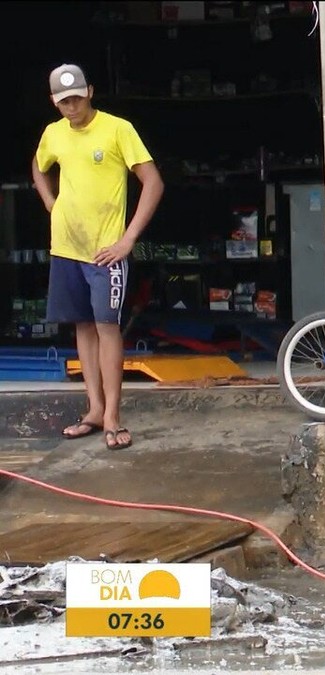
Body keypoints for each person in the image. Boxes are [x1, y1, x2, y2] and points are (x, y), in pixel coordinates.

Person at [31, 64, 163, 450]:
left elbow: (153, 181)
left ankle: (112, 416)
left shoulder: (117, 128)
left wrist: (128, 240)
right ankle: (93, 409)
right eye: (63, 101)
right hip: (66, 247)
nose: (71, 107)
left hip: (106, 251)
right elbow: (38, 168)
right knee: (83, 327)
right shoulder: (53, 133)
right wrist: (50, 202)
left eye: (76, 97)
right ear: (54, 102)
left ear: (90, 91)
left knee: (107, 327)